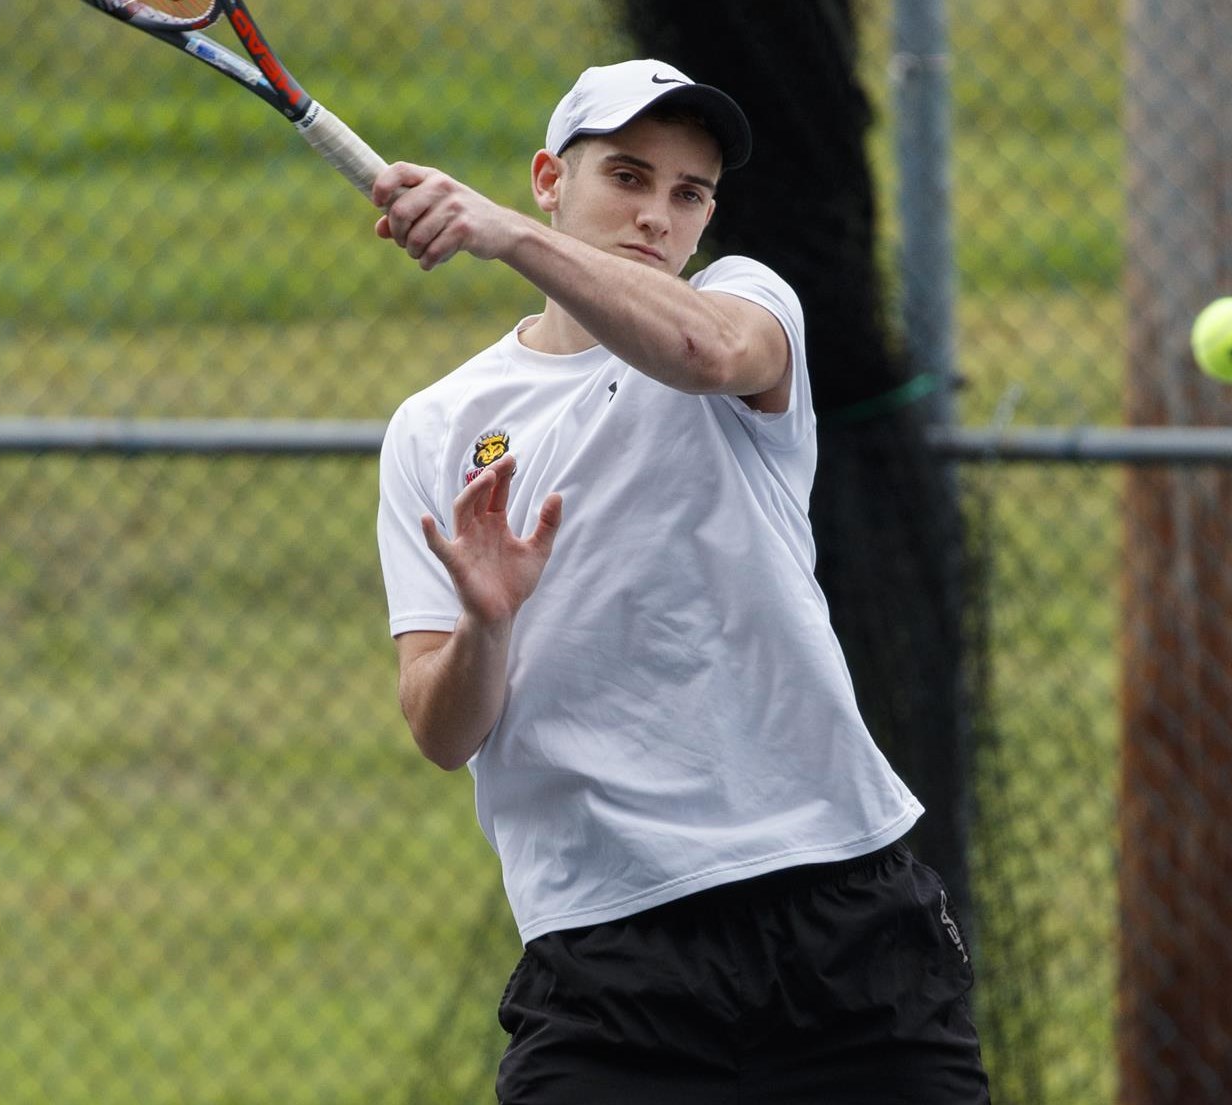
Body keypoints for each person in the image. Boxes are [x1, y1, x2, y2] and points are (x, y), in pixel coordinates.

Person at [372, 59, 990, 1103]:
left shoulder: (745, 304)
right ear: (549, 179)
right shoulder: (436, 427)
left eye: (689, 192)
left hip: (839, 917)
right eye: (627, 175)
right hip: (606, 958)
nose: (657, 213)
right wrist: (485, 621)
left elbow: (704, 351)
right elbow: (441, 730)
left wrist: (504, 237)